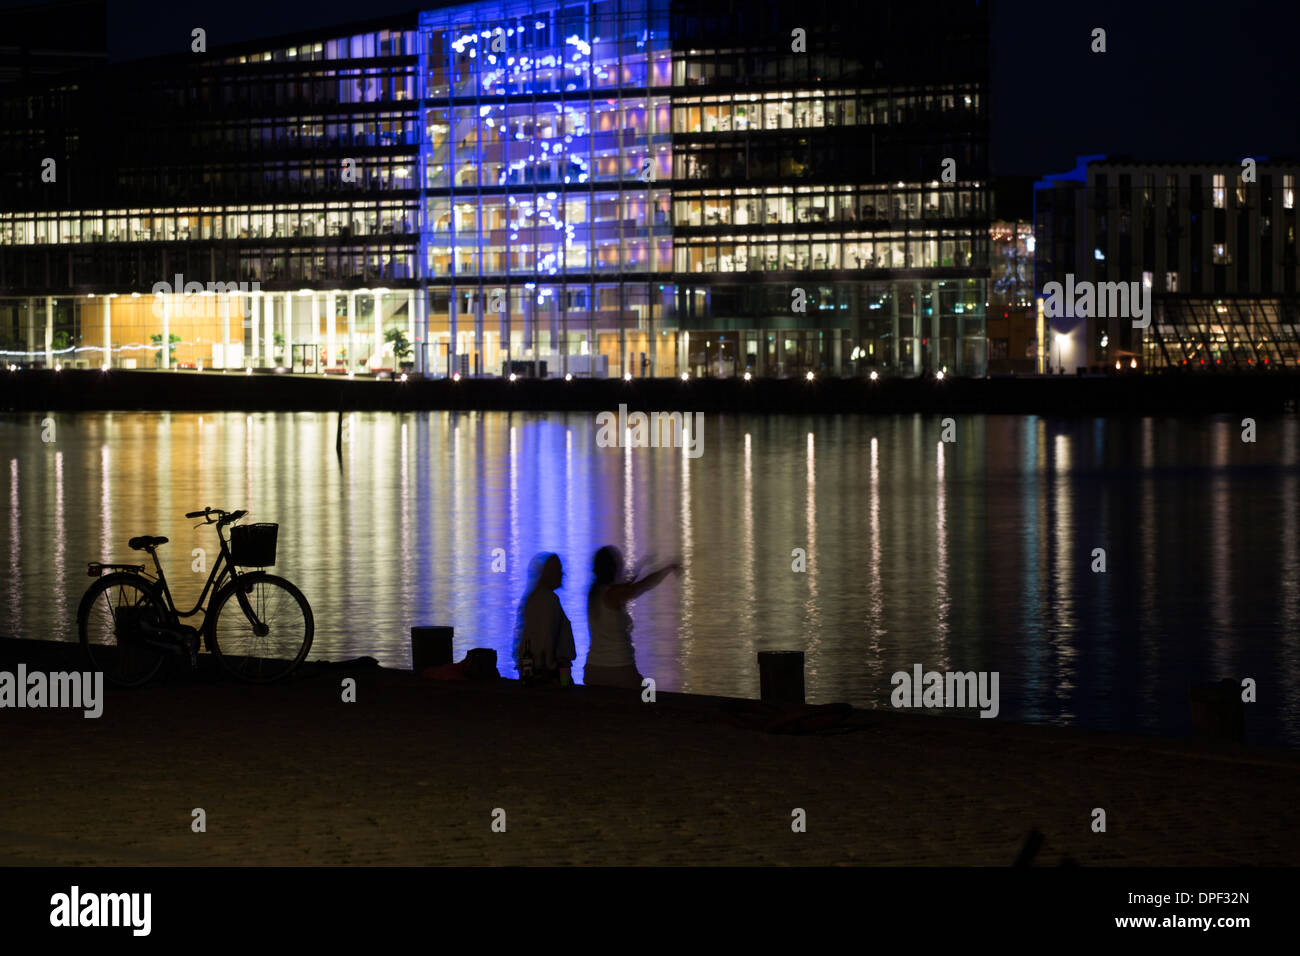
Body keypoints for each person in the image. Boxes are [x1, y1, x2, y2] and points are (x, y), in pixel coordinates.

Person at [584, 546, 681, 689]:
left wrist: (640, 565)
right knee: (650, 696)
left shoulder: (594, 592)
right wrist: (668, 568)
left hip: (593, 670)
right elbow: (641, 586)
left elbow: (626, 584)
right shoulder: (613, 595)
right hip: (618, 670)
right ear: (613, 569)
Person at [512, 553, 577, 686]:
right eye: (558, 570)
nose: (562, 574)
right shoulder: (549, 600)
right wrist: (551, 670)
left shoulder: (532, 598)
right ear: (548, 574)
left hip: (532, 671)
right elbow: (546, 637)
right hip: (548, 675)